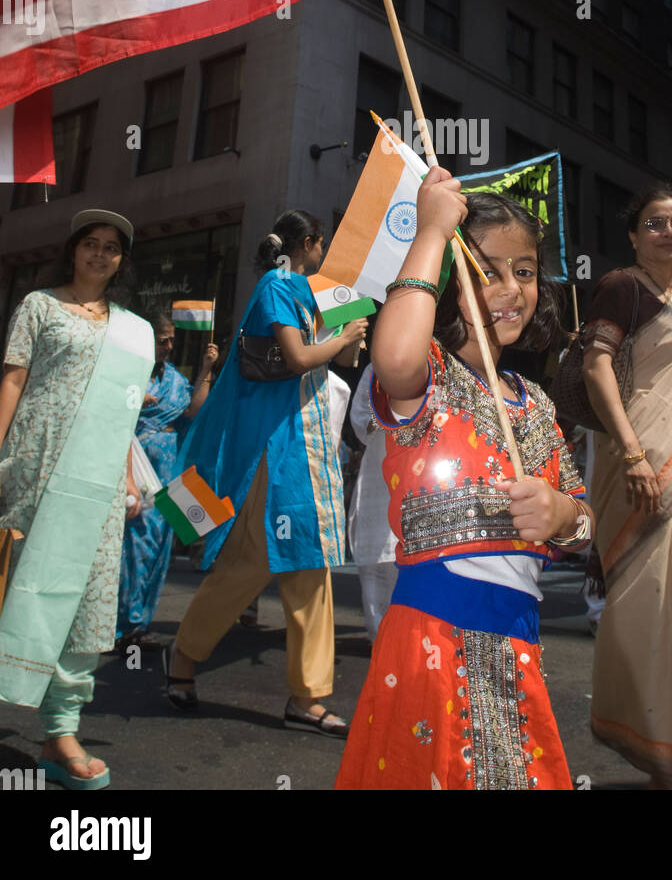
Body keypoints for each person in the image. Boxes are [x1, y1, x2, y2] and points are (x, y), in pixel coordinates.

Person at [335, 175, 592, 791]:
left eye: (525, 272)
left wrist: (560, 515)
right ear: (448, 281)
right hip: (430, 645)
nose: (510, 290)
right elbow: (394, 356)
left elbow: (585, 524)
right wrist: (430, 232)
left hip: (518, 651)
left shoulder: (534, 402)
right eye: (487, 270)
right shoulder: (425, 378)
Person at [163, 210, 367, 734]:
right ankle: (182, 659)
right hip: (272, 450)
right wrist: (339, 340)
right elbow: (300, 358)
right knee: (247, 568)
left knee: (310, 568)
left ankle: (308, 697)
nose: (326, 255)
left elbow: (335, 363)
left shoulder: (306, 292)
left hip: (306, 449)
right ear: (309, 243)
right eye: (323, 245)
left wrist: (350, 330)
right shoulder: (277, 287)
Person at [577, 185, 672, 788]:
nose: (668, 232)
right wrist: (633, 452)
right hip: (644, 462)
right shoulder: (622, 287)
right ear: (634, 234)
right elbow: (596, 368)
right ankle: (661, 744)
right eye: (655, 223)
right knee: (654, 603)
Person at [0, 210, 154, 790]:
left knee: (85, 596)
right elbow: (13, 379)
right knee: (16, 582)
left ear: (121, 261)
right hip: (32, 466)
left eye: (111, 247)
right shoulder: (39, 305)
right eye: (90, 243)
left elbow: (121, 413)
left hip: (96, 481)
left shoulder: (131, 330)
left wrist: (128, 477)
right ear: (73, 251)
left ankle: (60, 729)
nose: (99, 254)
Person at [115, 312, 218, 650]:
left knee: (160, 547)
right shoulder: (126, 372)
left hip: (170, 474)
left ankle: (140, 622)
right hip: (138, 472)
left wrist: (205, 369)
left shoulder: (172, 377)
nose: (170, 346)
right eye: (163, 340)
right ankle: (122, 624)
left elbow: (192, 411)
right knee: (136, 547)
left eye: (172, 340)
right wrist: (133, 401)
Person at [346, 363, 398, 640]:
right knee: (377, 563)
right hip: (381, 476)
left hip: (428, 478)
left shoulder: (445, 364)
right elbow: (361, 421)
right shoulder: (378, 369)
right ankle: (380, 637)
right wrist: (391, 413)